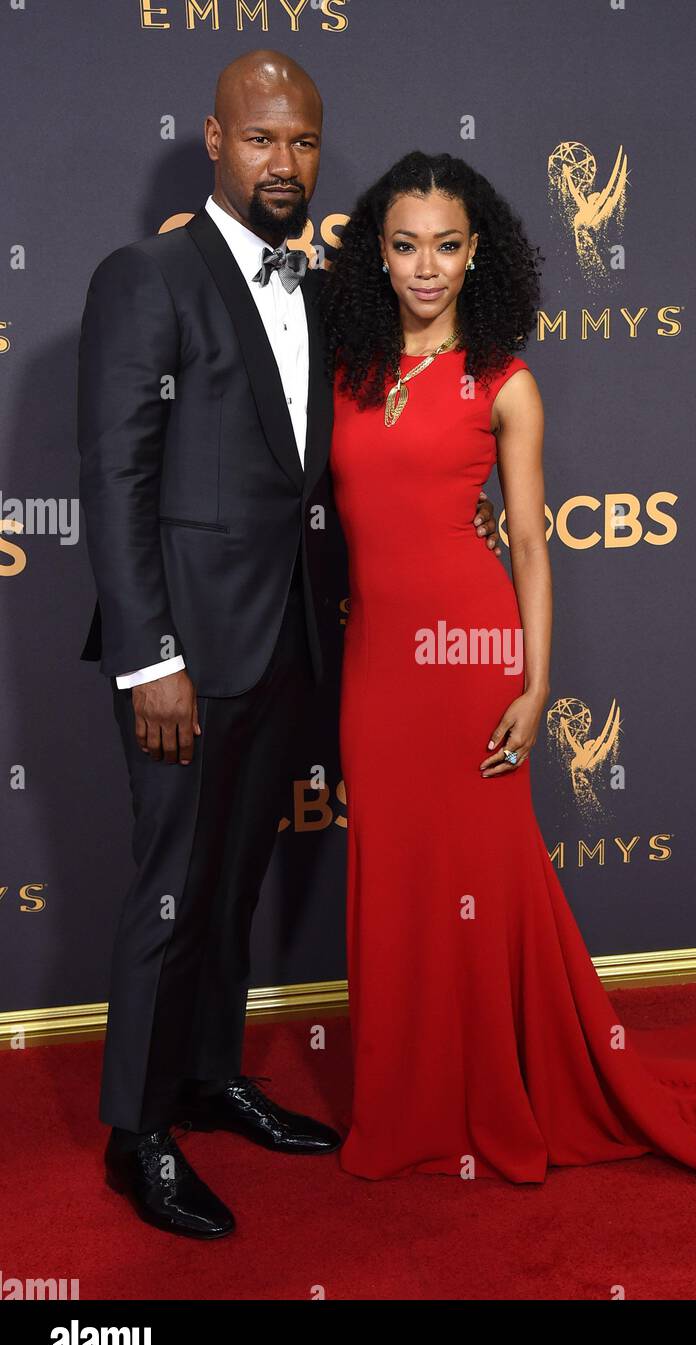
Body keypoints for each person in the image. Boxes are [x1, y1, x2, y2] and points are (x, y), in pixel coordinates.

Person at [322, 150, 696, 1189]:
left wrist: (537, 686)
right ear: (378, 250)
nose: (426, 266)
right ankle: (406, 1102)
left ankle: (503, 1089)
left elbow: (533, 545)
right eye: (406, 244)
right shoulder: (347, 370)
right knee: (395, 882)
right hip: (375, 667)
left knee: (482, 881)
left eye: (447, 246)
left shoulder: (504, 381)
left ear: (476, 254)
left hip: (472, 659)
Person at [77, 53, 502, 1240]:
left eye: (304, 143)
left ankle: (209, 1082)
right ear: (215, 140)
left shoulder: (325, 296)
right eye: (262, 140)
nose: (284, 163)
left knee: (233, 888)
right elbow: (116, 480)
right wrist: (148, 657)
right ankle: (137, 1133)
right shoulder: (147, 276)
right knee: (169, 891)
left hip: (288, 646)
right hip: (181, 659)